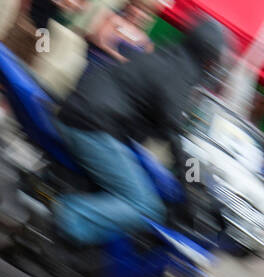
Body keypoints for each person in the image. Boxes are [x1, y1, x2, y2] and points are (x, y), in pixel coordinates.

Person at [51, 16, 227, 247]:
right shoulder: (179, 75)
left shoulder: (169, 57)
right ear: (208, 58)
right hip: (93, 124)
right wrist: (195, 185)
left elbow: (166, 129)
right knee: (145, 205)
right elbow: (175, 136)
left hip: (91, 115)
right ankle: (67, 217)